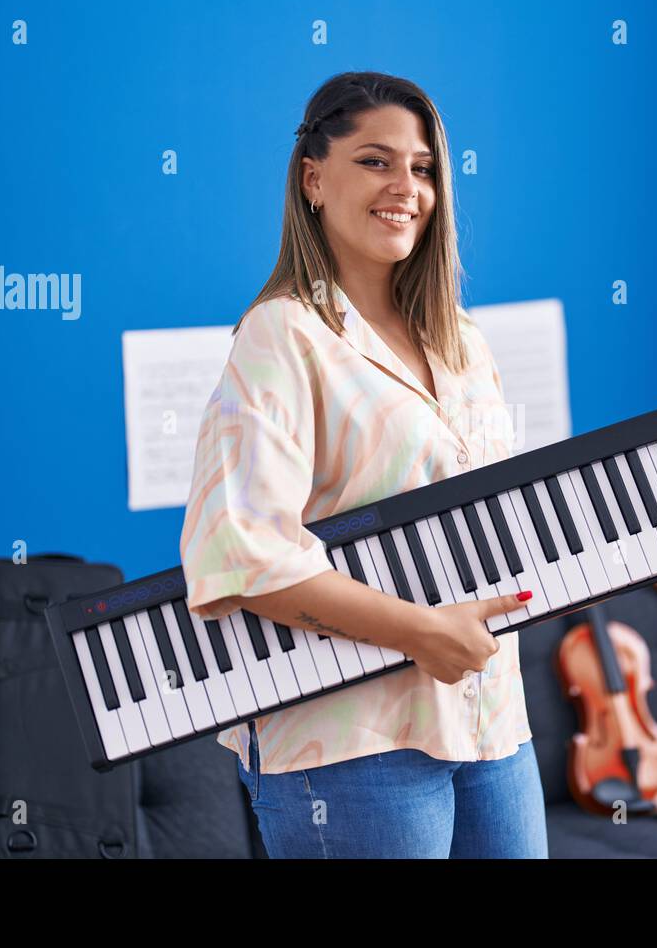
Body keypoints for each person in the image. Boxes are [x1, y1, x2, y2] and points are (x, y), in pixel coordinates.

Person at [179, 71, 548, 858]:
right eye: (375, 161)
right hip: (350, 746)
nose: (405, 187)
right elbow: (244, 559)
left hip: (492, 722)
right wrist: (422, 633)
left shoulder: (464, 342)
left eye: (422, 168)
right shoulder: (281, 337)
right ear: (314, 179)